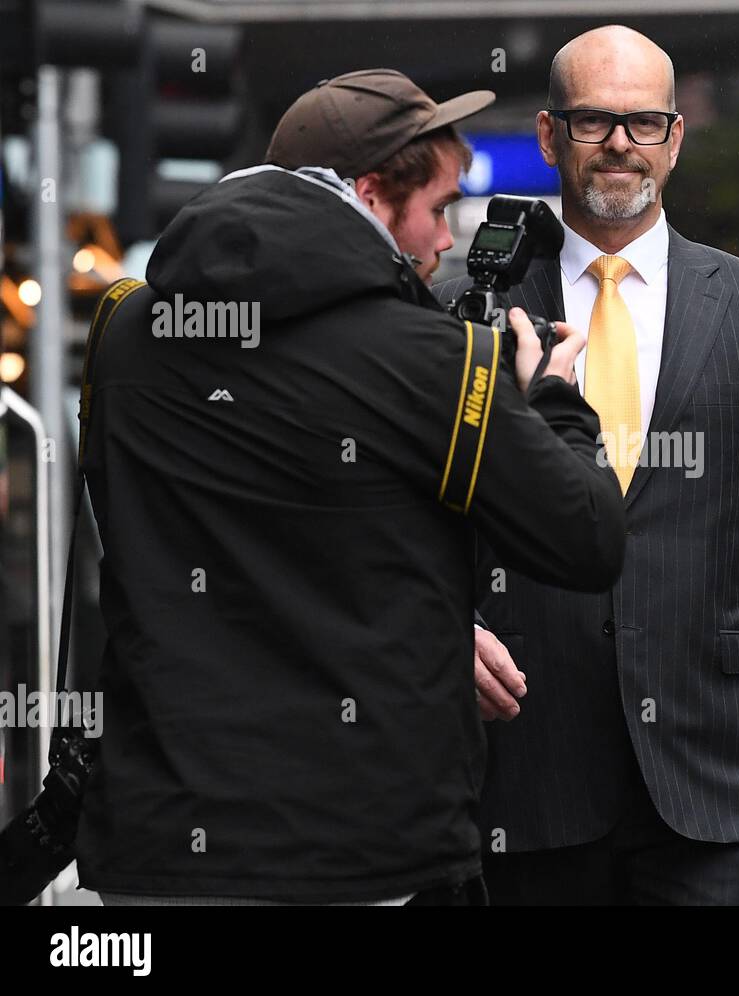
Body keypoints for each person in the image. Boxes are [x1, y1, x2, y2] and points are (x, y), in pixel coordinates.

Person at [75, 69, 625, 905]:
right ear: (371, 194)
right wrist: (552, 396)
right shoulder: (426, 360)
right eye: (437, 209)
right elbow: (587, 536)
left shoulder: (124, 330)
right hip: (355, 851)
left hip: (154, 844)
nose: (445, 242)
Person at [435, 26, 739, 906]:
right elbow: (415, 516)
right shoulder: (467, 309)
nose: (620, 144)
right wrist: (442, 633)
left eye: (644, 122)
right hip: (526, 775)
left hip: (718, 773)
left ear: (676, 137)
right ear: (548, 135)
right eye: (595, 121)